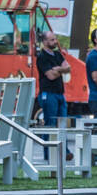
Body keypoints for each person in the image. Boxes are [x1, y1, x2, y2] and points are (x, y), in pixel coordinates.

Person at [36, 31, 74, 161]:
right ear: (45, 42)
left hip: (59, 94)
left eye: (55, 39)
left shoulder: (57, 54)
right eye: (52, 40)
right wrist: (60, 70)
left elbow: (68, 68)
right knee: (50, 124)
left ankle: (64, 152)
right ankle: (49, 155)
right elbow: (50, 76)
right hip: (48, 93)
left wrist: (57, 69)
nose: (55, 42)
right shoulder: (42, 57)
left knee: (62, 124)